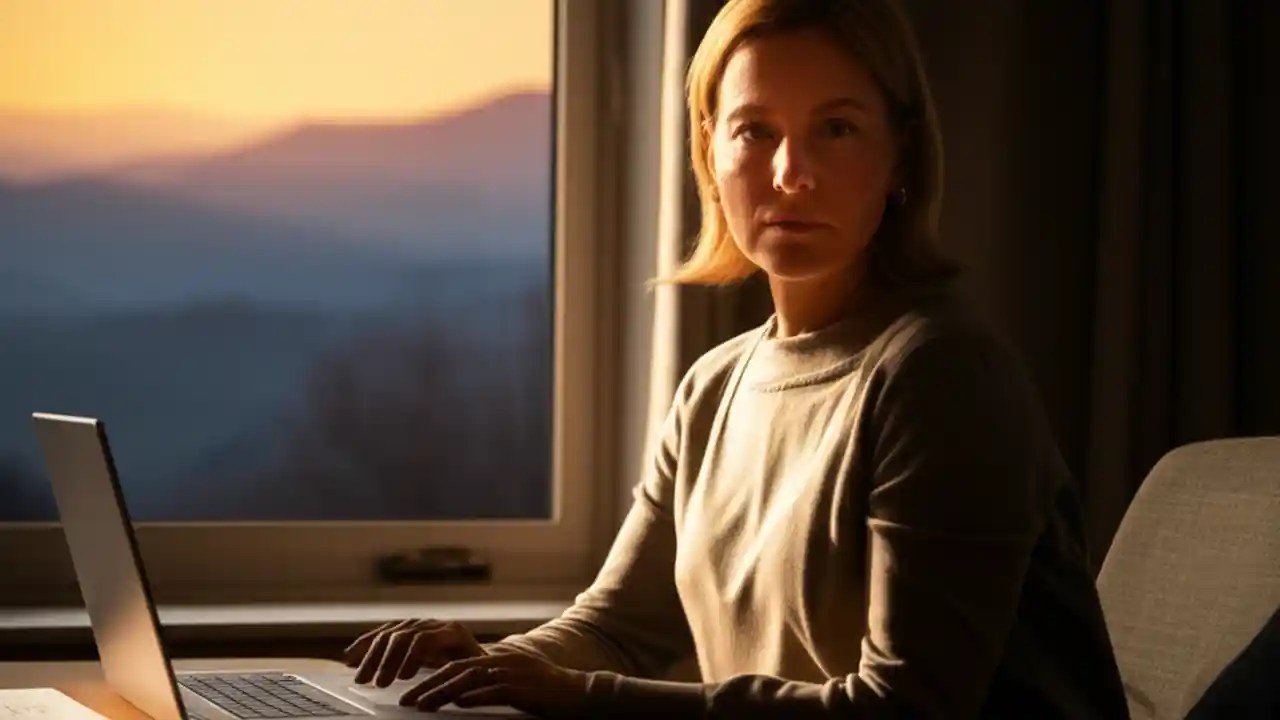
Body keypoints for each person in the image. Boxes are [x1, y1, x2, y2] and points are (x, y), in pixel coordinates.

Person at [344, 0, 1131, 716]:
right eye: (755, 130)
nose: (791, 174)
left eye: (837, 128)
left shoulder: (940, 373)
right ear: (709, 155)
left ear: (899, 160)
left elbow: (905, 707)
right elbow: (617, 627)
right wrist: (487, 663)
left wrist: (580, 697)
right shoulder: (716, 385)